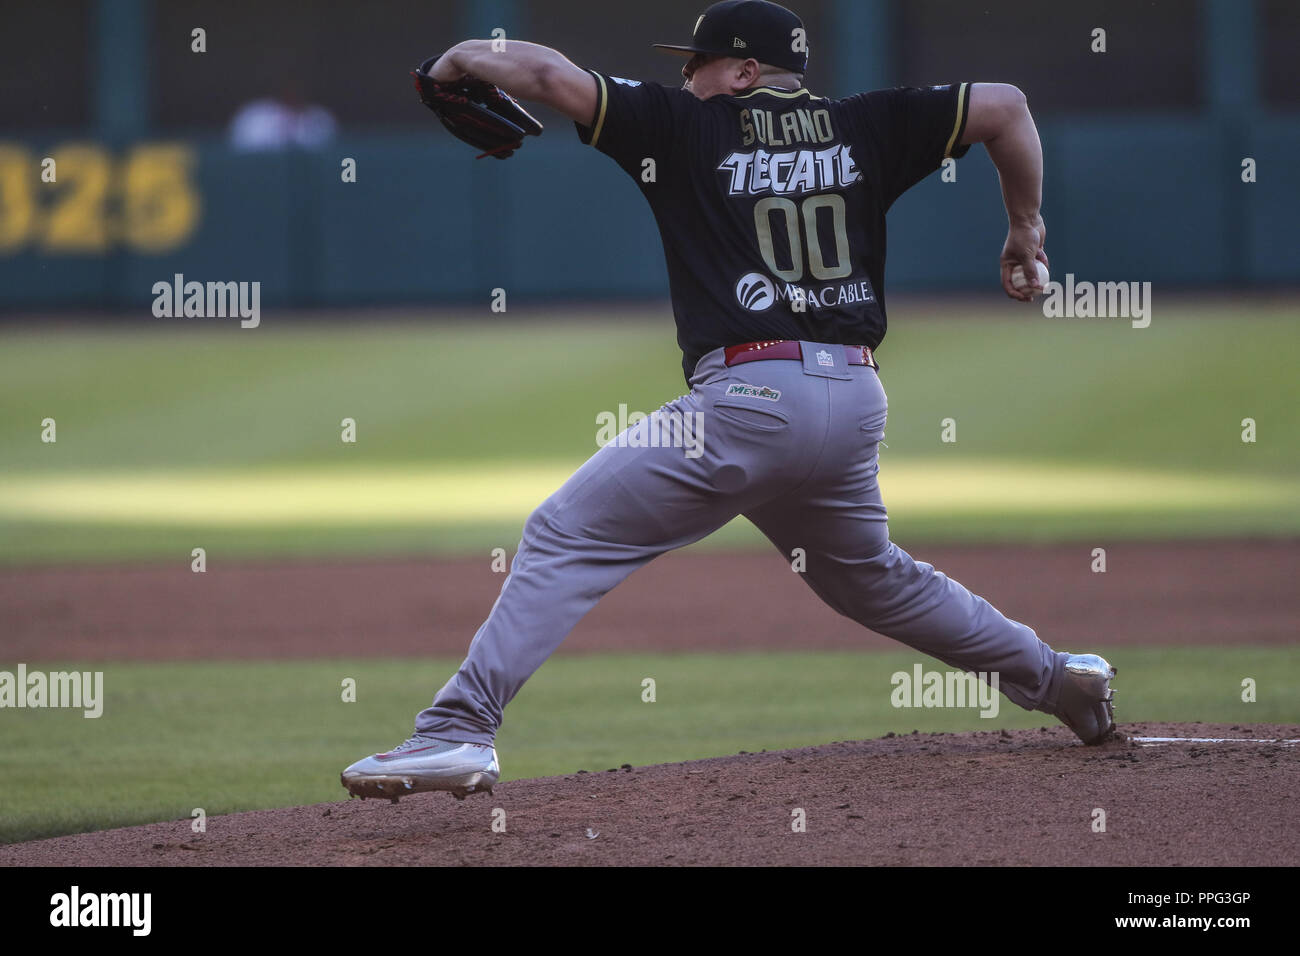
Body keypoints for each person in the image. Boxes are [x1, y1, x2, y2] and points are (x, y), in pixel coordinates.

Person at [341, 0, 1116, 803]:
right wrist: (1025, 227)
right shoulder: (869, 126)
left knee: (565, 532)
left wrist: (456, 56)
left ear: (745, 71)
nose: (684, 75)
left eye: (699, 61)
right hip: (852, 399)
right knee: (875, 581)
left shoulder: (684, 127)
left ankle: (456, 730)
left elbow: (543, 74)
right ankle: (1061, 681)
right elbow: (1007, 106)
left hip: (748, 402)